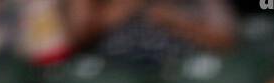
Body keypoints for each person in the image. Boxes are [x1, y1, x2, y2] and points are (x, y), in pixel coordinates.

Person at [74, 0, 235, 63]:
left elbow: (225, 38)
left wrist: (177, 22)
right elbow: (83, 32)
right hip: (118, 69)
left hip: (182, 67)